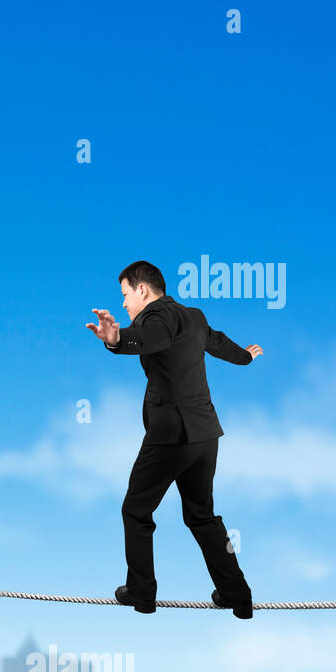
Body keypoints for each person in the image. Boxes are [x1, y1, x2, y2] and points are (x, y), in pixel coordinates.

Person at [85, 260, 263, 618]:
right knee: (201, 516)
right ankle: (237, 595)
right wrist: (244, 356)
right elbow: (217, 342)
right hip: (205, 435)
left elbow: (153, 338)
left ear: (143, 290)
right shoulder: (193, 316)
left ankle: (141, 592)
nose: (123, 304)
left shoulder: (156, 318)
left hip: (171, 435)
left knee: (135, 510)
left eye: (125, 294)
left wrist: (118, 339)